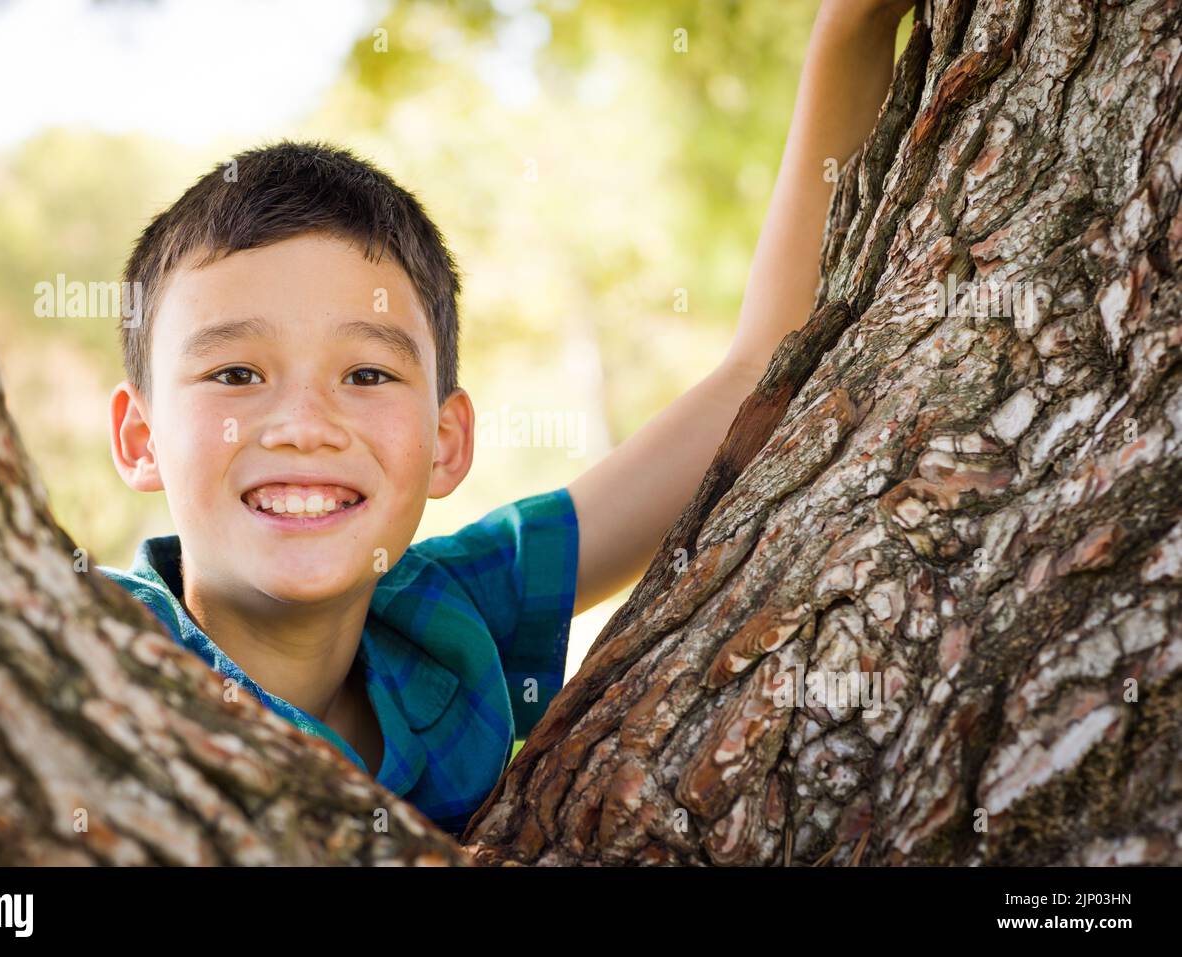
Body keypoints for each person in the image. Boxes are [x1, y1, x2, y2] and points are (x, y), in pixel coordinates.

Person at [98, 0, 916, 838]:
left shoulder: (444, 616)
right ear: (139, 437)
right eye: (236, 372)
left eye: (367, 373)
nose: (305, 424)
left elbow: (755, 375)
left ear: (448, 443)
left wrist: (847, 31)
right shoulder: (81, 641)